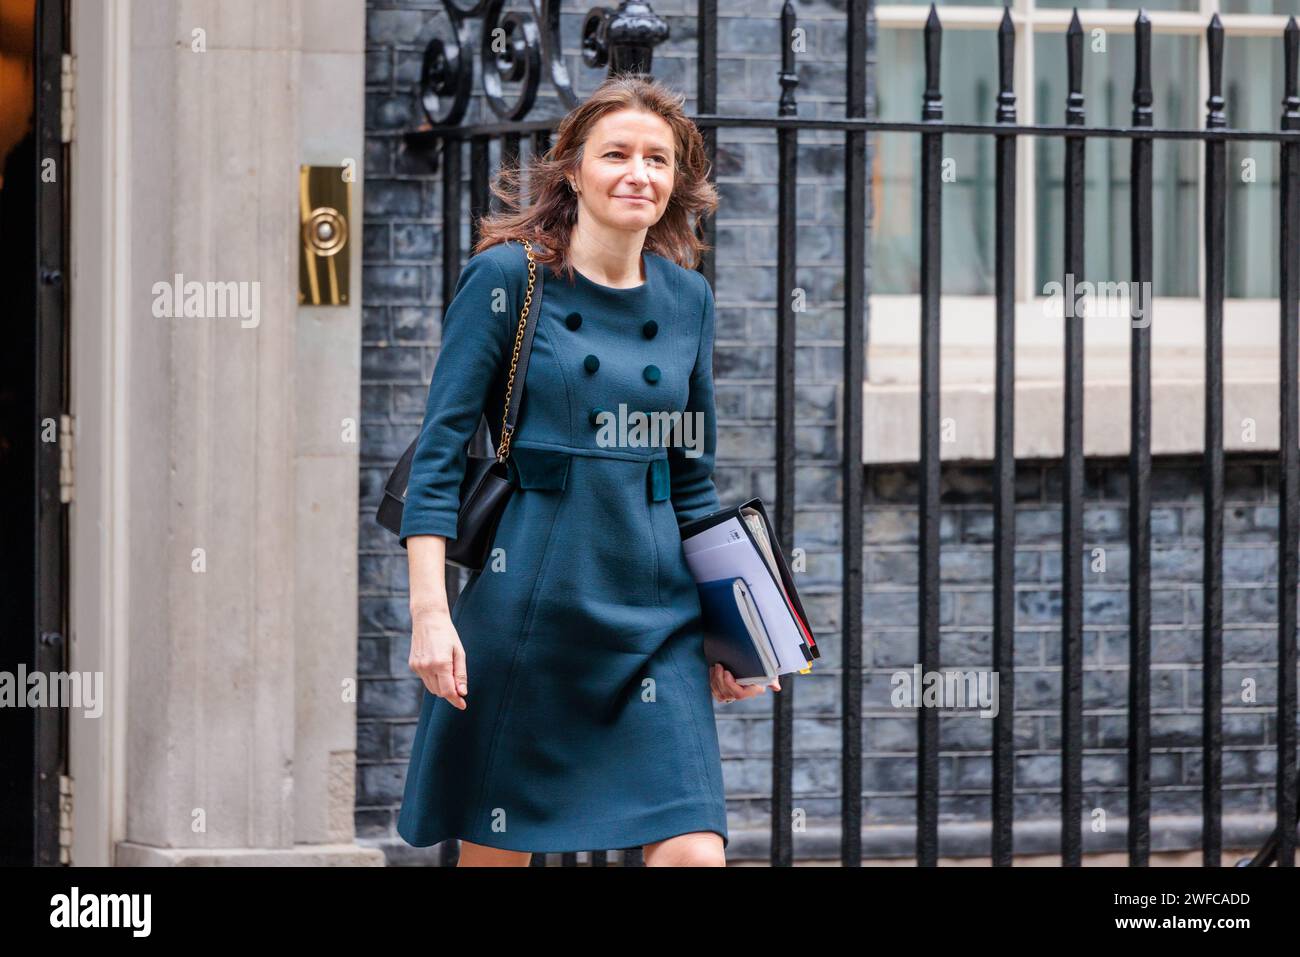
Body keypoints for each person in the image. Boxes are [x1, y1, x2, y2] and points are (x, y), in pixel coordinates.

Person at [396, 73, 779, 868]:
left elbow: (693, 479)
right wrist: (431, 613)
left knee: (694, 853)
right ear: (573, 168)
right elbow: (437, 458)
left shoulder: (688, 299)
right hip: (529, 613)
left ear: (676, 181)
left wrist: (745, 633)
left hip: (655, 621)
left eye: (658, 159)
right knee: (500, 857)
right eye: (617, 154)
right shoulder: (509, 279)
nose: (639, 173)